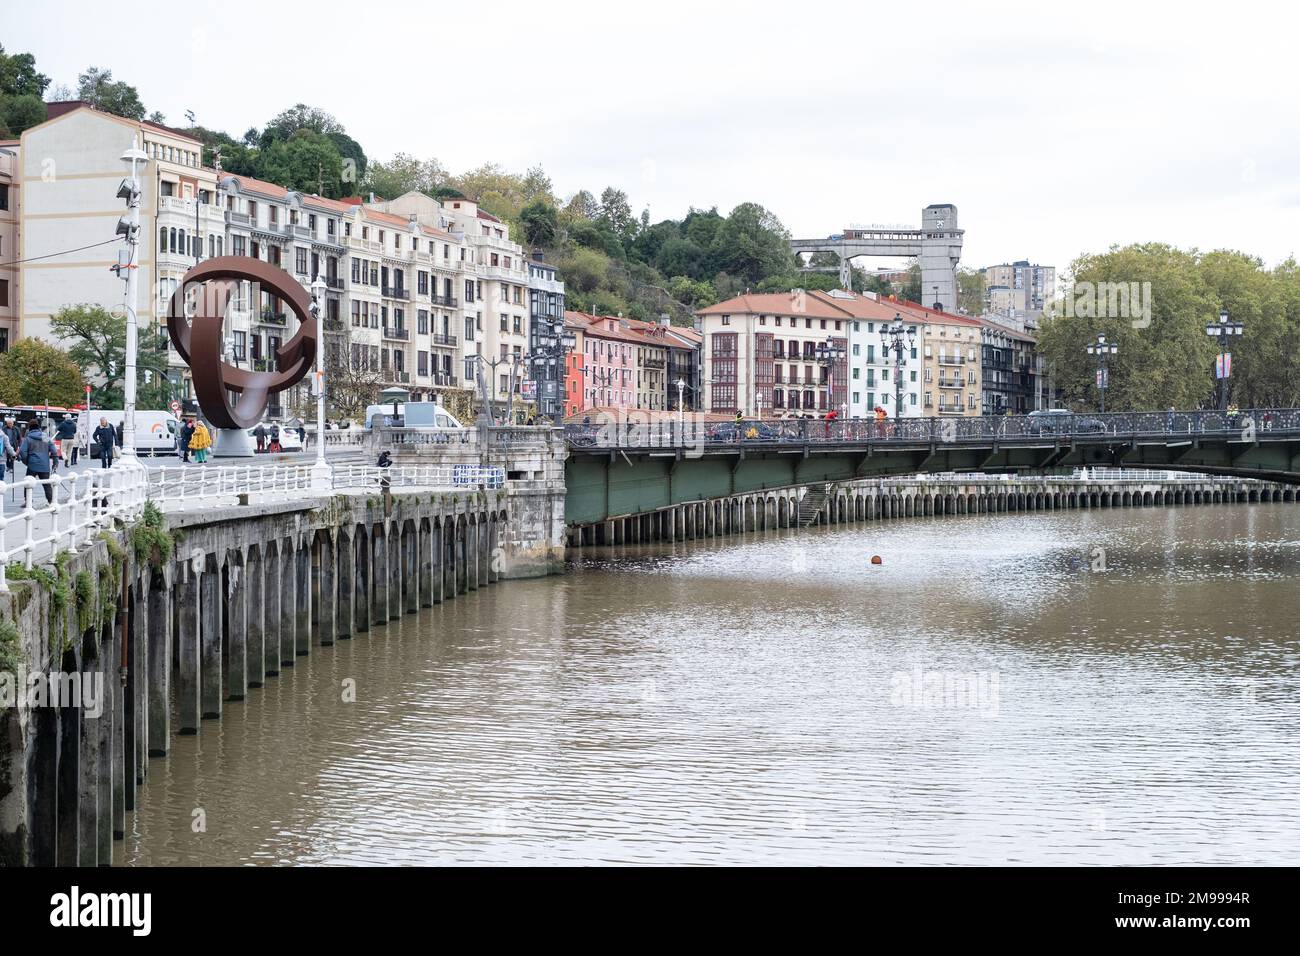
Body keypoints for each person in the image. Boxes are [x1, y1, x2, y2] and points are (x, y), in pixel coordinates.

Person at [18, 421, 55, 505]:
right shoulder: (45, 437)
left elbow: (22, 452)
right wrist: (55, 462)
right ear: (38, 428)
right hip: (45, 466)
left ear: (29, 428)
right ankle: (50, 501)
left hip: (32, 465)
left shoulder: (28, 438)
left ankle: (28, 502)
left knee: (28, 483)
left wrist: (27, 462)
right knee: (46, 484)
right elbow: (54, 450)